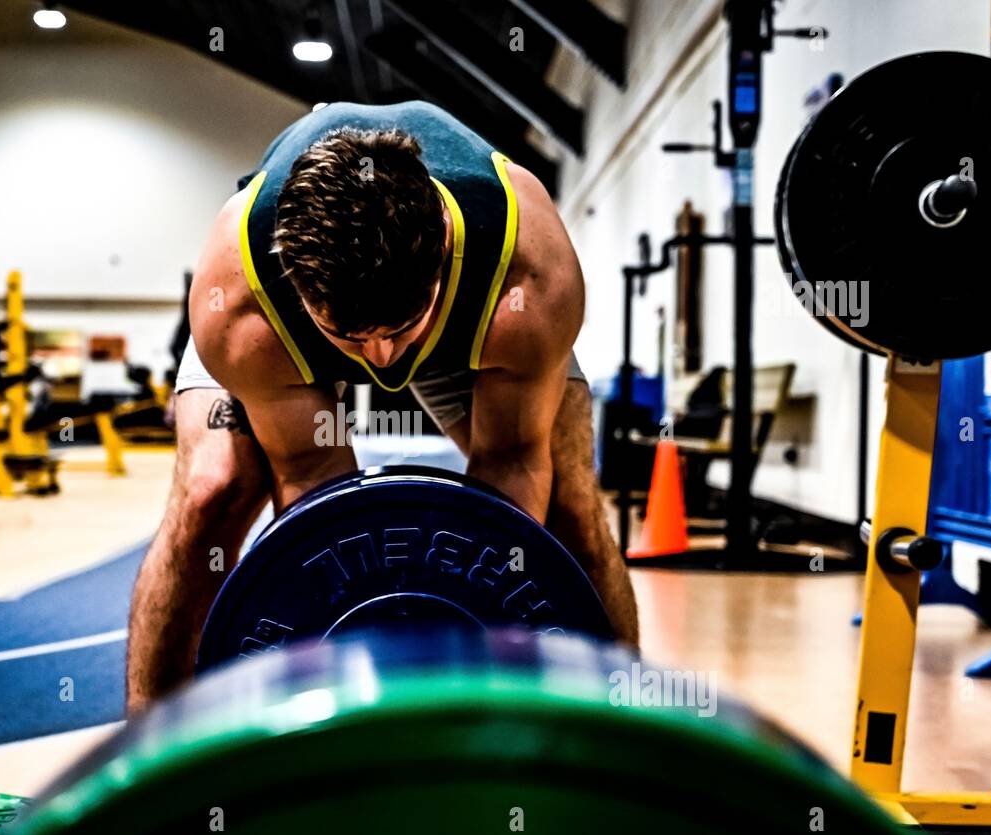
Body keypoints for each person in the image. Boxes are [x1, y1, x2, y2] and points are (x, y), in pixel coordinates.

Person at [127, 101, 638, 712]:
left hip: (469, 333)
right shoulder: (241, 305)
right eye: (353, 337)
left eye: (398, 327)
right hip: (292, 346)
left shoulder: (526, 277)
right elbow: (312, 483)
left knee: (572, 506)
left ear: (444, 246)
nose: (381, 358)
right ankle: (151, 747)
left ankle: (620, 727)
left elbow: (512, 463)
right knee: (212, 490)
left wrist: (480, 635)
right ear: (292, 275)